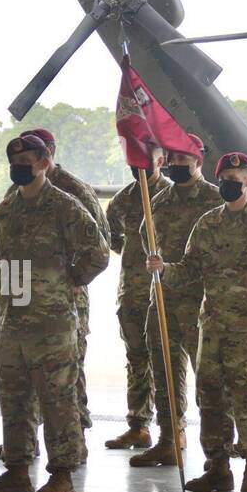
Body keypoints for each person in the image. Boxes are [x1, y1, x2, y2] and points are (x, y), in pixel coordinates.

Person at [149, 152, 247, 492]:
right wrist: (165, 270)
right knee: (211, 399)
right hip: (212, 326)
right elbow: (189, 270)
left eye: (237, 177)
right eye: (225, 177)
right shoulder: (207, 224)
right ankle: (218, 467)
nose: (230, 183)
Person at [0, 134, 108, 492]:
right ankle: (16, 471)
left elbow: (98, 251)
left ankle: (62, 475)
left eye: (28, 160)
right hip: (13, 320)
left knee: (57, 398)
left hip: (52, 323)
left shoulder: (63, 206)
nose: (20, 166)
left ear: (45, 162)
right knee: (13, 396)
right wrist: (14, 283)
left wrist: (71, 280)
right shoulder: (7, 209)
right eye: (15, 160)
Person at [129, 134, 225, 468]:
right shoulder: (161, 198)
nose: (177, 165)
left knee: (209, 378)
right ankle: (170, 438)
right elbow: (146, 234)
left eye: (184, 159)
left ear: (199, 162)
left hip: (201, 301)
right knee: (165, 371)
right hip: (165, 297)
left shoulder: (215, 201)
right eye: (172, 159)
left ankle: (217, 453)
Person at [103, 147, 168, 449]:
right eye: (133, 162)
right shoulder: (124, 199)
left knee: (168, 362)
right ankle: (139, 425)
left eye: (144, 161)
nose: (137, 167)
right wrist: (133, 258)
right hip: (132, 292)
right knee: (136, 359)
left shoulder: (172, 196)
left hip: (165, 293)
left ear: (160, 160)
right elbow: (111, 236)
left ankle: (172, 429)